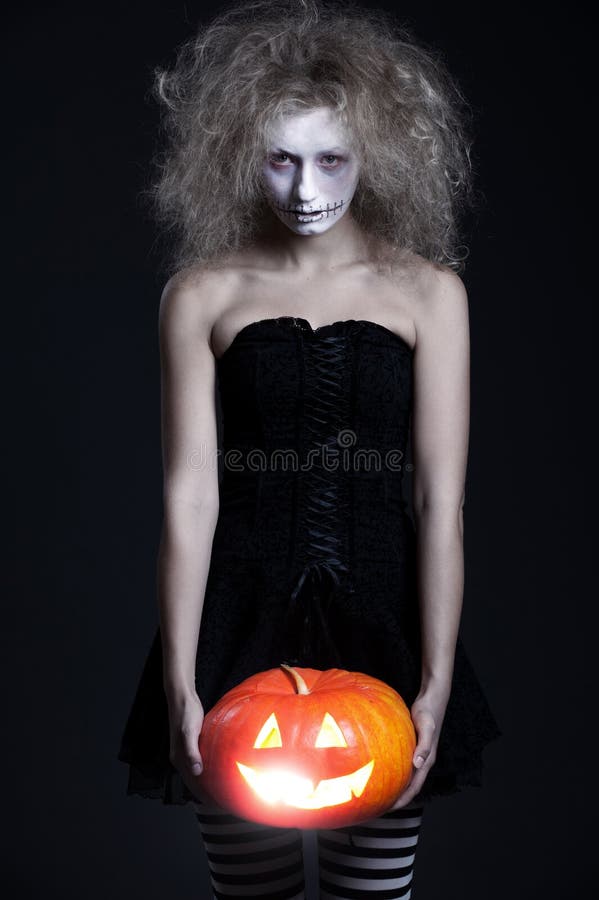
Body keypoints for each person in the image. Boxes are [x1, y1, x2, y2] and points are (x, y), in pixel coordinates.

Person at [117, 1, 502, 896]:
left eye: (331, 158)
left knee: (373, 893)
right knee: (252, 894)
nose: (304, 188)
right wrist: (181, 677)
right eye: (280, 158)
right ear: (237, 156)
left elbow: (437, 504)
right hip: (234, 630)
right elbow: (190, 496)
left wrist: (438, 676)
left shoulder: (428, 294)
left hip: (384, 631)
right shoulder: (201, 294)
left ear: (377, 154)